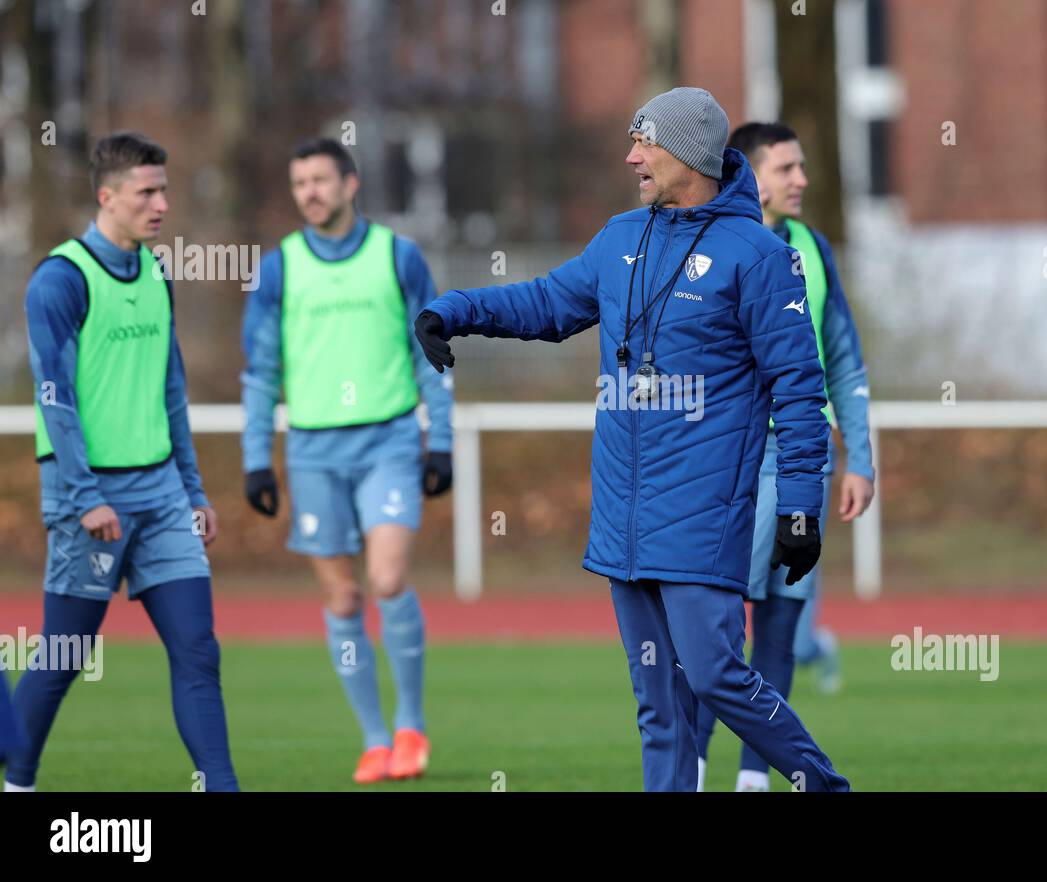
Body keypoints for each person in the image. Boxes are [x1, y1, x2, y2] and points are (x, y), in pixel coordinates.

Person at [416, 87, 850, 792]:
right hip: (623, 514)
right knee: (658, 707)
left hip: (704, 512)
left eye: (645, 143)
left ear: (689, 153)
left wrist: (801, 503)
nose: (631, 156)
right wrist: (454, 310)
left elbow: (800, 390)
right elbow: (544, 304)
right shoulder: (622, 237)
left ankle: (825, 786)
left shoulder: (759, 256)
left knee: (714, 675)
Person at [7, 132, 238, 792]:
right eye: (147, 192)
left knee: (198, 649)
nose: (162, 203)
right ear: (106, 197)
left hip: (163, 495)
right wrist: (85, 497)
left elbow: (171, 393)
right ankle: (17, 784)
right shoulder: (60, 279)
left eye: (164, 189)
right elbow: (55, 397)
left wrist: (194, 491)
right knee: (61, 656)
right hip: (90, 498)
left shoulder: (158, 276)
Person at [240, 138, 454, 784]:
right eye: (299, 181)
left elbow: (432, 355)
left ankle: (412, 725)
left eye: (320, 180)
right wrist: (256, 459)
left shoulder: (398, 256)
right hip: (311, 451)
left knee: (387, 581)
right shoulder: (279, 268)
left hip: (387, 442)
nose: (309, 191)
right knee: (342, 596)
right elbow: (260, 370)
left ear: (351, 184)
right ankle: (373, 738)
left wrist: (438, 439)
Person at [693, 122, 874, 791]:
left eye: (802, 167)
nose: (801, 180)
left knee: (780, 625)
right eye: (787, 168)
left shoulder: (814, 249)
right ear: (749, 172)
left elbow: (845, 360)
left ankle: (753, 780)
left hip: (804, 458)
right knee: (712, 626)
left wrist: (861, 457)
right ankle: (691, 766)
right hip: (733, 459)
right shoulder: (714, 246)